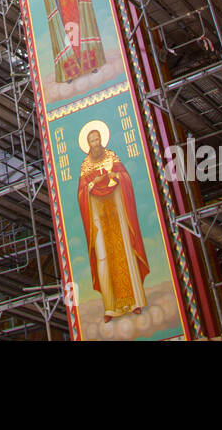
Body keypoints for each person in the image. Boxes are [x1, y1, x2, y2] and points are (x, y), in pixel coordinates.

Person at [77, 125, 148, 321]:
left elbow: (125, 178)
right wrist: (92, 183)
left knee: (125, 252)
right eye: (92, 141)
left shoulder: (111, 157)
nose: (96, 144)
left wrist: (114, 176)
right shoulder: (85, 166)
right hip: (100, 221)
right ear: (88, 144)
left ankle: (135, 302)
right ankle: (110, 308)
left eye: (98, 139)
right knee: (103, 259)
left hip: (118, 216)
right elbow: (82, 192)